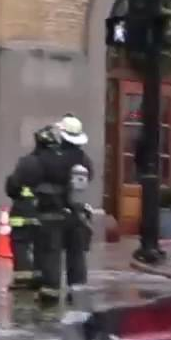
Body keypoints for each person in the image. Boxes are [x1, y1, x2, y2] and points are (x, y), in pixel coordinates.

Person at [5, 125, 57, 293]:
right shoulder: (56, 164)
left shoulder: (27, 162)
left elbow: (13, 185)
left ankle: (22, 279)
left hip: (22, 210)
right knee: (43, 246)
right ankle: (39, 277)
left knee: (20, 243)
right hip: (46, 213)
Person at [54, 114, 95, 304]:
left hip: (59, 210)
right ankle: (77, 290)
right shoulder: (84, 159)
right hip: (80, 213)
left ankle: (51, 290)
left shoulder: (58, 157)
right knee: (77, 254)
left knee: (51, 252)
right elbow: (91, 176)